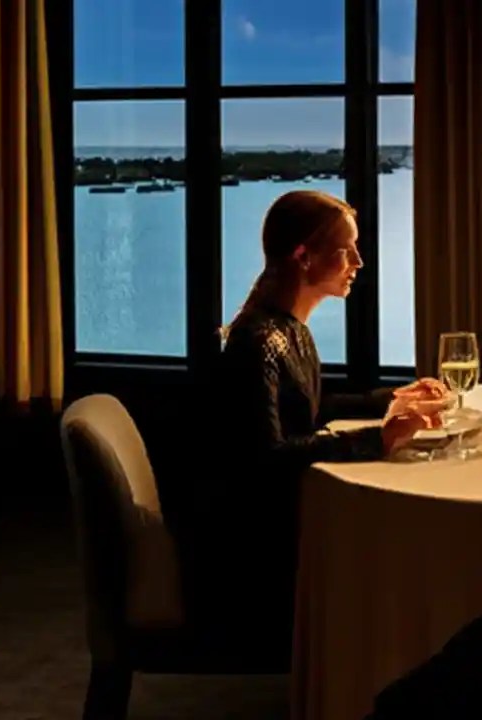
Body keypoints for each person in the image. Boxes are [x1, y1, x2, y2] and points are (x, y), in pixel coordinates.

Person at [186, 190, 449, 640]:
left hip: (276, 522)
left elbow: (309, 409)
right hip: (254, 551)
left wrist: (393, 399)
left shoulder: (289, 328)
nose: (358, 262)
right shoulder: (259, 341)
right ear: (303, 256)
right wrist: (378, 439)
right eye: (346, 250)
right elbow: (268, 457)